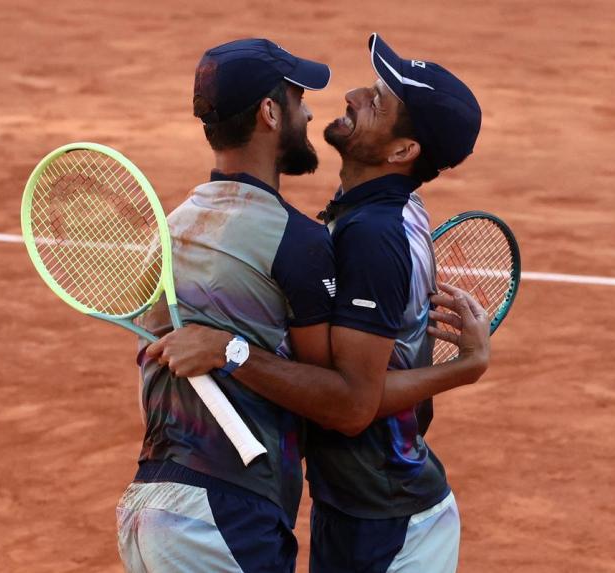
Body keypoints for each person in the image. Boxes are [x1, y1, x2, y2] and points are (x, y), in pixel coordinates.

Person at [146, 33, 487, 573]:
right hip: (358, 510)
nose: (352, 95)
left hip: (388, 520)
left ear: (403, 151)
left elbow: (351, 404)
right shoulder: (381, 214)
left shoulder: (371, 235)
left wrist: (229, 350)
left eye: (377, 101)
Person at [115, 38, 336, 573]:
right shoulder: (297, 241)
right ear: (269, 113)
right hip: (225, 517)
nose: (307, 112)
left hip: (149, 509)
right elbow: (333, 401)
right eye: (297, 98)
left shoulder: (173, 229)